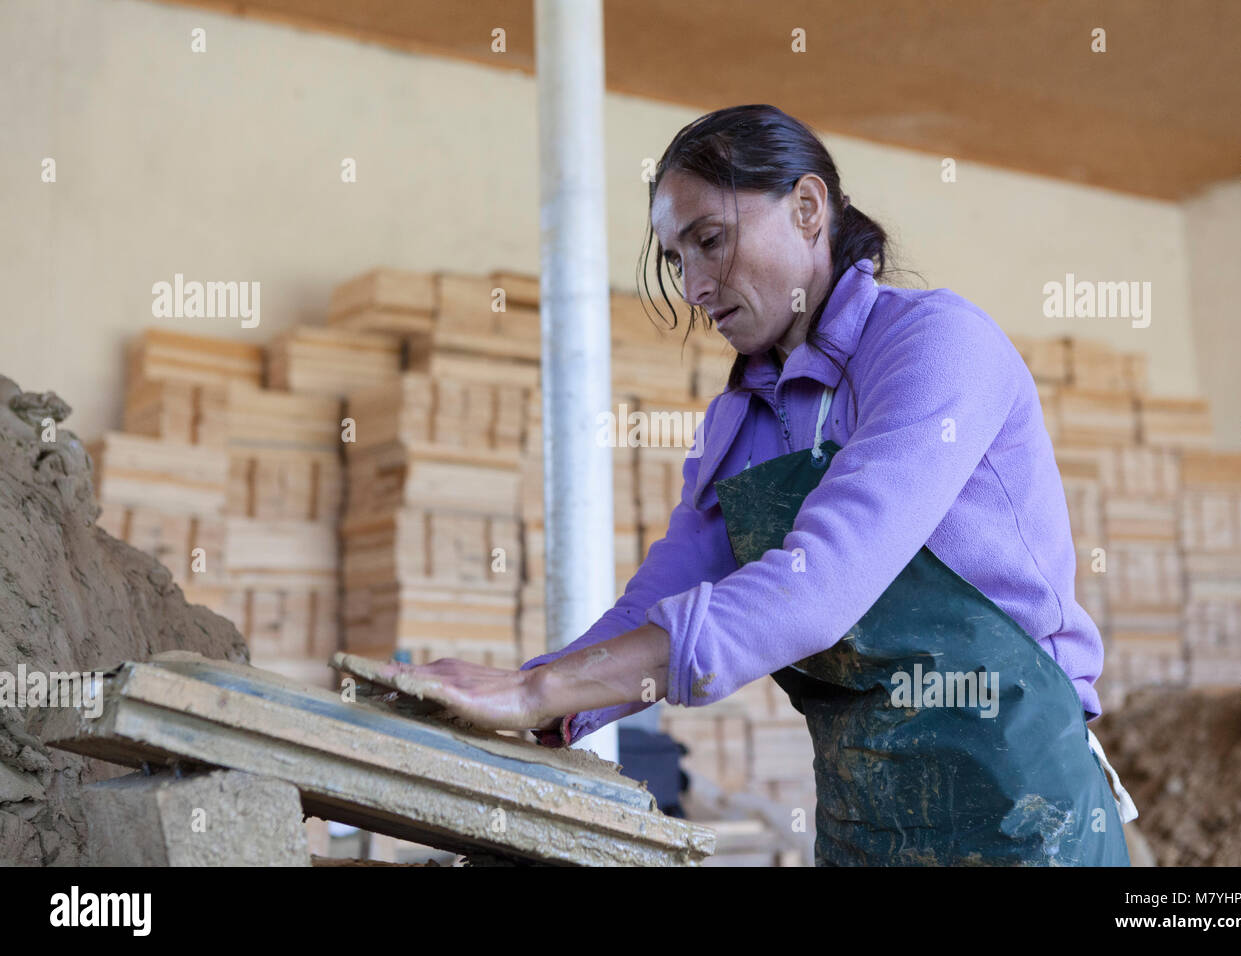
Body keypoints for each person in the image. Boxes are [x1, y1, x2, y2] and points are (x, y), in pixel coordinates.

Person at [382, 104, 1136, 866]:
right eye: (676, 259)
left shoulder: (936, 345)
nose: (695, 287)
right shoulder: (738, 425)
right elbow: (655, 602)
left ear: (809, 209)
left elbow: (819, 586)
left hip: (1024, 812)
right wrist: (533, 698)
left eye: (709, 242)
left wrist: (537, 693)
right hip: (867, 822)